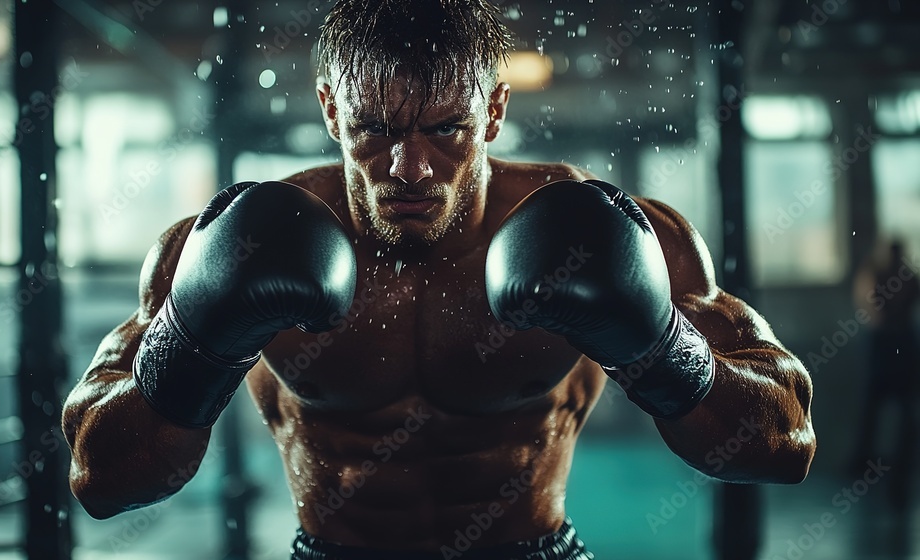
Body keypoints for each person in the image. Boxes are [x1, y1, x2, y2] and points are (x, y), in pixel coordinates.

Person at [61, 0, 816, 557]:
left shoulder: (607, 231)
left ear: (492, 112)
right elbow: (102, 476)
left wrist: (661, 346)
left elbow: (784, 441)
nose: (409, 169)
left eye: (446, 129)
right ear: (331, 109)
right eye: (375, 129)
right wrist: (192, 346)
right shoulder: (235, 242)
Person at [850, 238, 918, 509]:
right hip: (890, 347)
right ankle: (867, 461)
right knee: (880, 410)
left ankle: (879, 464)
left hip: (897, 347)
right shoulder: (882, 275)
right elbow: (870, 307)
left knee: (896, 413)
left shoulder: (900, 276)